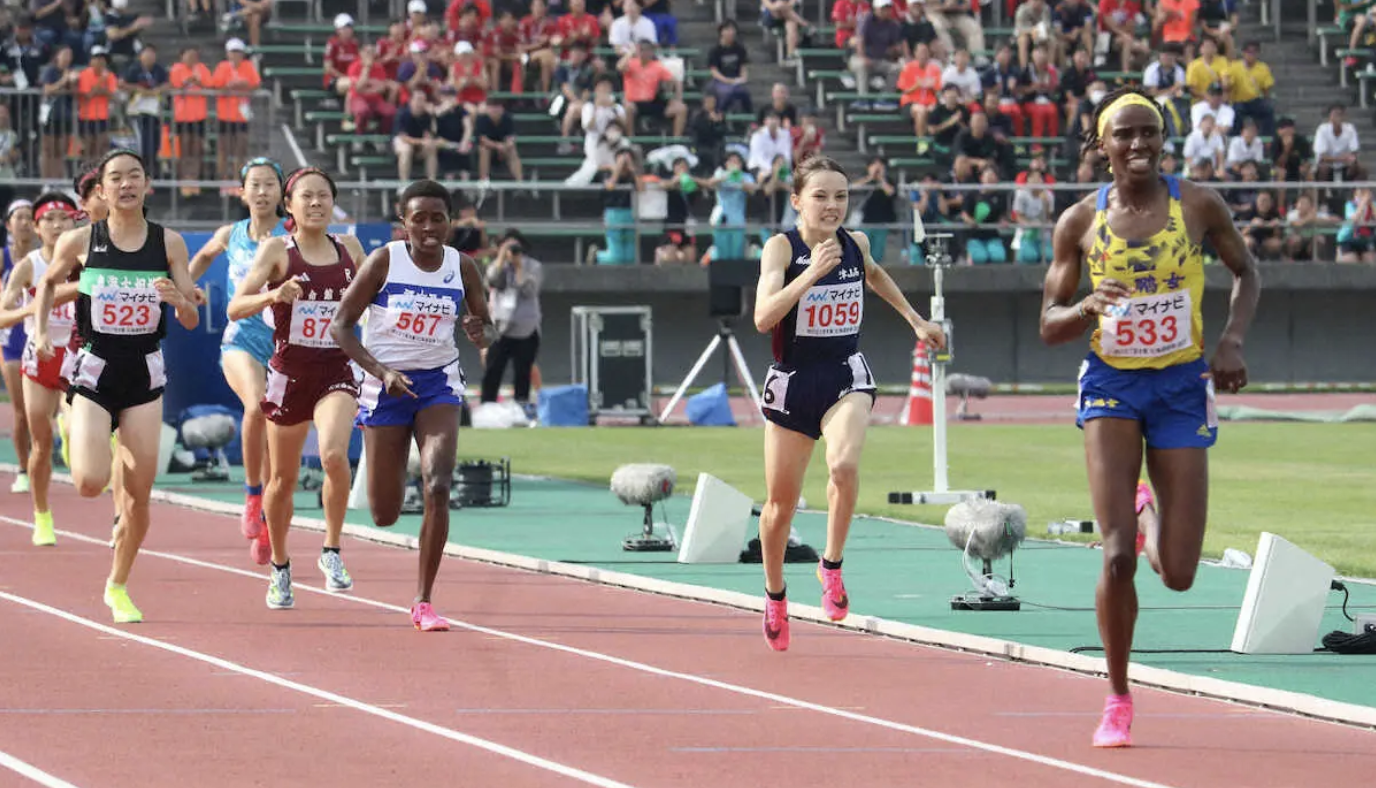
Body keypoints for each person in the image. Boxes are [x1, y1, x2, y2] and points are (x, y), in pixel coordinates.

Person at [1040, 87, 1260, 748]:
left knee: (1183, 572)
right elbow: (1049, 325)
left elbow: (1248, 272)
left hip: (1180, 386)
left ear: (1164, 140)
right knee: (1115, 562)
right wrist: (1086, 310)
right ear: (1101, 146)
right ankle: (1116, 696)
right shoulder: (1079, 222)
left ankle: (1146, 512)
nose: (1138, 145)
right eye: (1125, 135)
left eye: (1149, 134)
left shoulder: (1196, 204)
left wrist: (1231, 340)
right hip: (1111, 386)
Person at [752, 156, 946, 652]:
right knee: (780, 506)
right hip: (795, 381)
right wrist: (810, 275)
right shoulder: (781, 248)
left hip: (844, 374)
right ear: (797, 200)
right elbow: (762, 317)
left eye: (841, 196)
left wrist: (916, 321)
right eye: (821, 196)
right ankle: (775, 595)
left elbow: (875, 275)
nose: (833, 205)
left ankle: (831, 566)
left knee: (843, 465)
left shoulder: (855, 244)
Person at [33, 150, 202, 624]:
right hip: (96, 370)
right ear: (100, 191)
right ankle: (79, 427)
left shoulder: (169, 243)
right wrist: (43, 331)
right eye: (116, 178)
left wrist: (177, 299)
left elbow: (189, 316)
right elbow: (47, 284)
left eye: (135, 175)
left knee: (138, 497)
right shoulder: (82, 239)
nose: (126, 184)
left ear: (147, 185)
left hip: (145, 373)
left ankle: (118, 584)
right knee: (89, 482)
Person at [332, 179, 494, 632]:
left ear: (450, 222)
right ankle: (392, 475)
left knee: (438, 484)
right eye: (418, 218)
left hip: (438, 383)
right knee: (384, 512)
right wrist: (381, 371)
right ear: (402, 222)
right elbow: (341, 327)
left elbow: (487, 329)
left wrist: (481, 333)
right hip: (385, 385)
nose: (428, 227)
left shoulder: (463, 267)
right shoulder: (385, 261)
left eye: (437, 218)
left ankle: (424, 601)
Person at [227, 167, 362, 609]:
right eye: (307, 197)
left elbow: (379, 300)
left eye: (324, 196)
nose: (317, 203)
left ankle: (332, 550)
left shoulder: (351, 249)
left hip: (336, 369)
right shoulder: (275, 251)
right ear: (291, 206)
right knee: (282, 480)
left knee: (333, 455)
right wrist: (272, 295)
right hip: (289, 373)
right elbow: (234, 307)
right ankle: (281, 567)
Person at [188, 157, 287, 558]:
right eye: (254, 184)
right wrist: (187, 285)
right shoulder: (231, 233)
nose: (261, 192)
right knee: (255, 407)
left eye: (269, 185)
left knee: (274, 438)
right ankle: (250, 493)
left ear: (282, 193)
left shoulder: (289, 237)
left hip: (283, 344)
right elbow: (204, 257)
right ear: (242, 192)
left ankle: (266, 518)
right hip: (241, 338)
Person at [0, 193, 81, 546]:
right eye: (48, 219)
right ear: (37, 227)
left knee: (77, 429)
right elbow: (3, 314)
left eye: (64, 218)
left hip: (78, 355)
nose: (57, 225)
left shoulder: (85, 261)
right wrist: (30, 311)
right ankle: (42, 516)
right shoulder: (28, 266)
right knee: (41, 444)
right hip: (40, 356)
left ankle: (71, 428)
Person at [479, 229, 542, 420]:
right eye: (508, 247)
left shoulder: (533, 266)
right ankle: (487, 408)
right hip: (501, 327)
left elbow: (530, 291)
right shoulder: (498, 265)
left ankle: (521, 410)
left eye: (516, 247)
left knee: (523, 370)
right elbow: (491, 281)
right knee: (493, 369)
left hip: (526, 327)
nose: (513, 252)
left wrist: (520, 267)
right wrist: (500, 259)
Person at [3, 198, 37, 495]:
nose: (25, 222)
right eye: (19, 217)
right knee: (21, 411)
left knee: (45, 410)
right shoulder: (2, 258)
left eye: (29, 217)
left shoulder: (44, 257)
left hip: (41, 335)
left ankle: (45, 451)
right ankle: (24, 469)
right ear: (8, 224)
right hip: (11, 340)